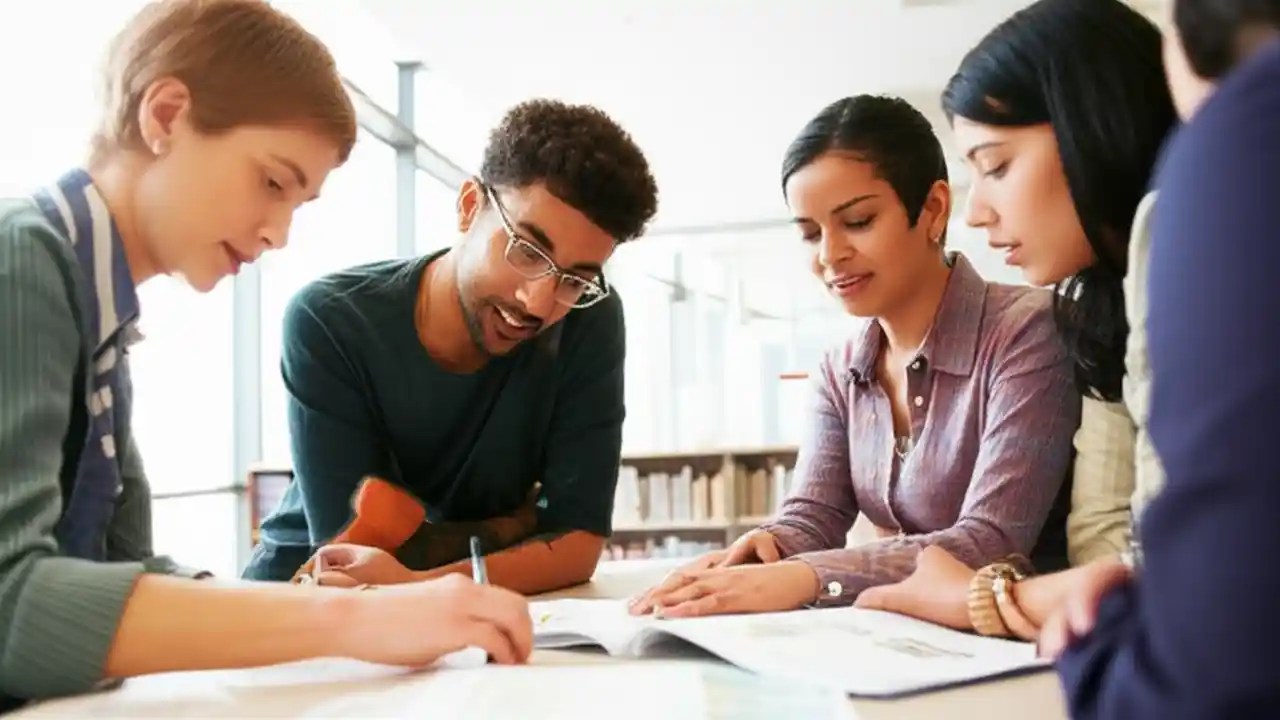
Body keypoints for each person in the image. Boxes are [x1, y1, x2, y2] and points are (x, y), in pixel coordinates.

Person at [0, 1, 531, 709]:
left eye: (297, 204)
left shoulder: (95, 312)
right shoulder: (21, 262)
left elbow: (122, 567)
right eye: (273, 181)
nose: (278, 232)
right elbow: (12, 606)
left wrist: (341, 614)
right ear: (165, 116)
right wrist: (353, 620)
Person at [627, 94, 1079, 619]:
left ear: (933, 209)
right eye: (810, 233)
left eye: (858, 221)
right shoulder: (839, 368)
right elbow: (813, 517)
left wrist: (804, 576)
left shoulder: (1027, 330)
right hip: (906, 635)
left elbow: (990, 541)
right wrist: (762, 552)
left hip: (1026, 642)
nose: (828, 255)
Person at [241, 99, 659, 596]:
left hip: (464, 608)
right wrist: (514, 527)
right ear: (468, 208)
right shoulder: (333, 320)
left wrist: (422, 581)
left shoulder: (587, 320)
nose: (538, 301)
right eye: (526, 251)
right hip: (297, 598)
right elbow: (352, 559)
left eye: (573, 279)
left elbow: (576, 545)